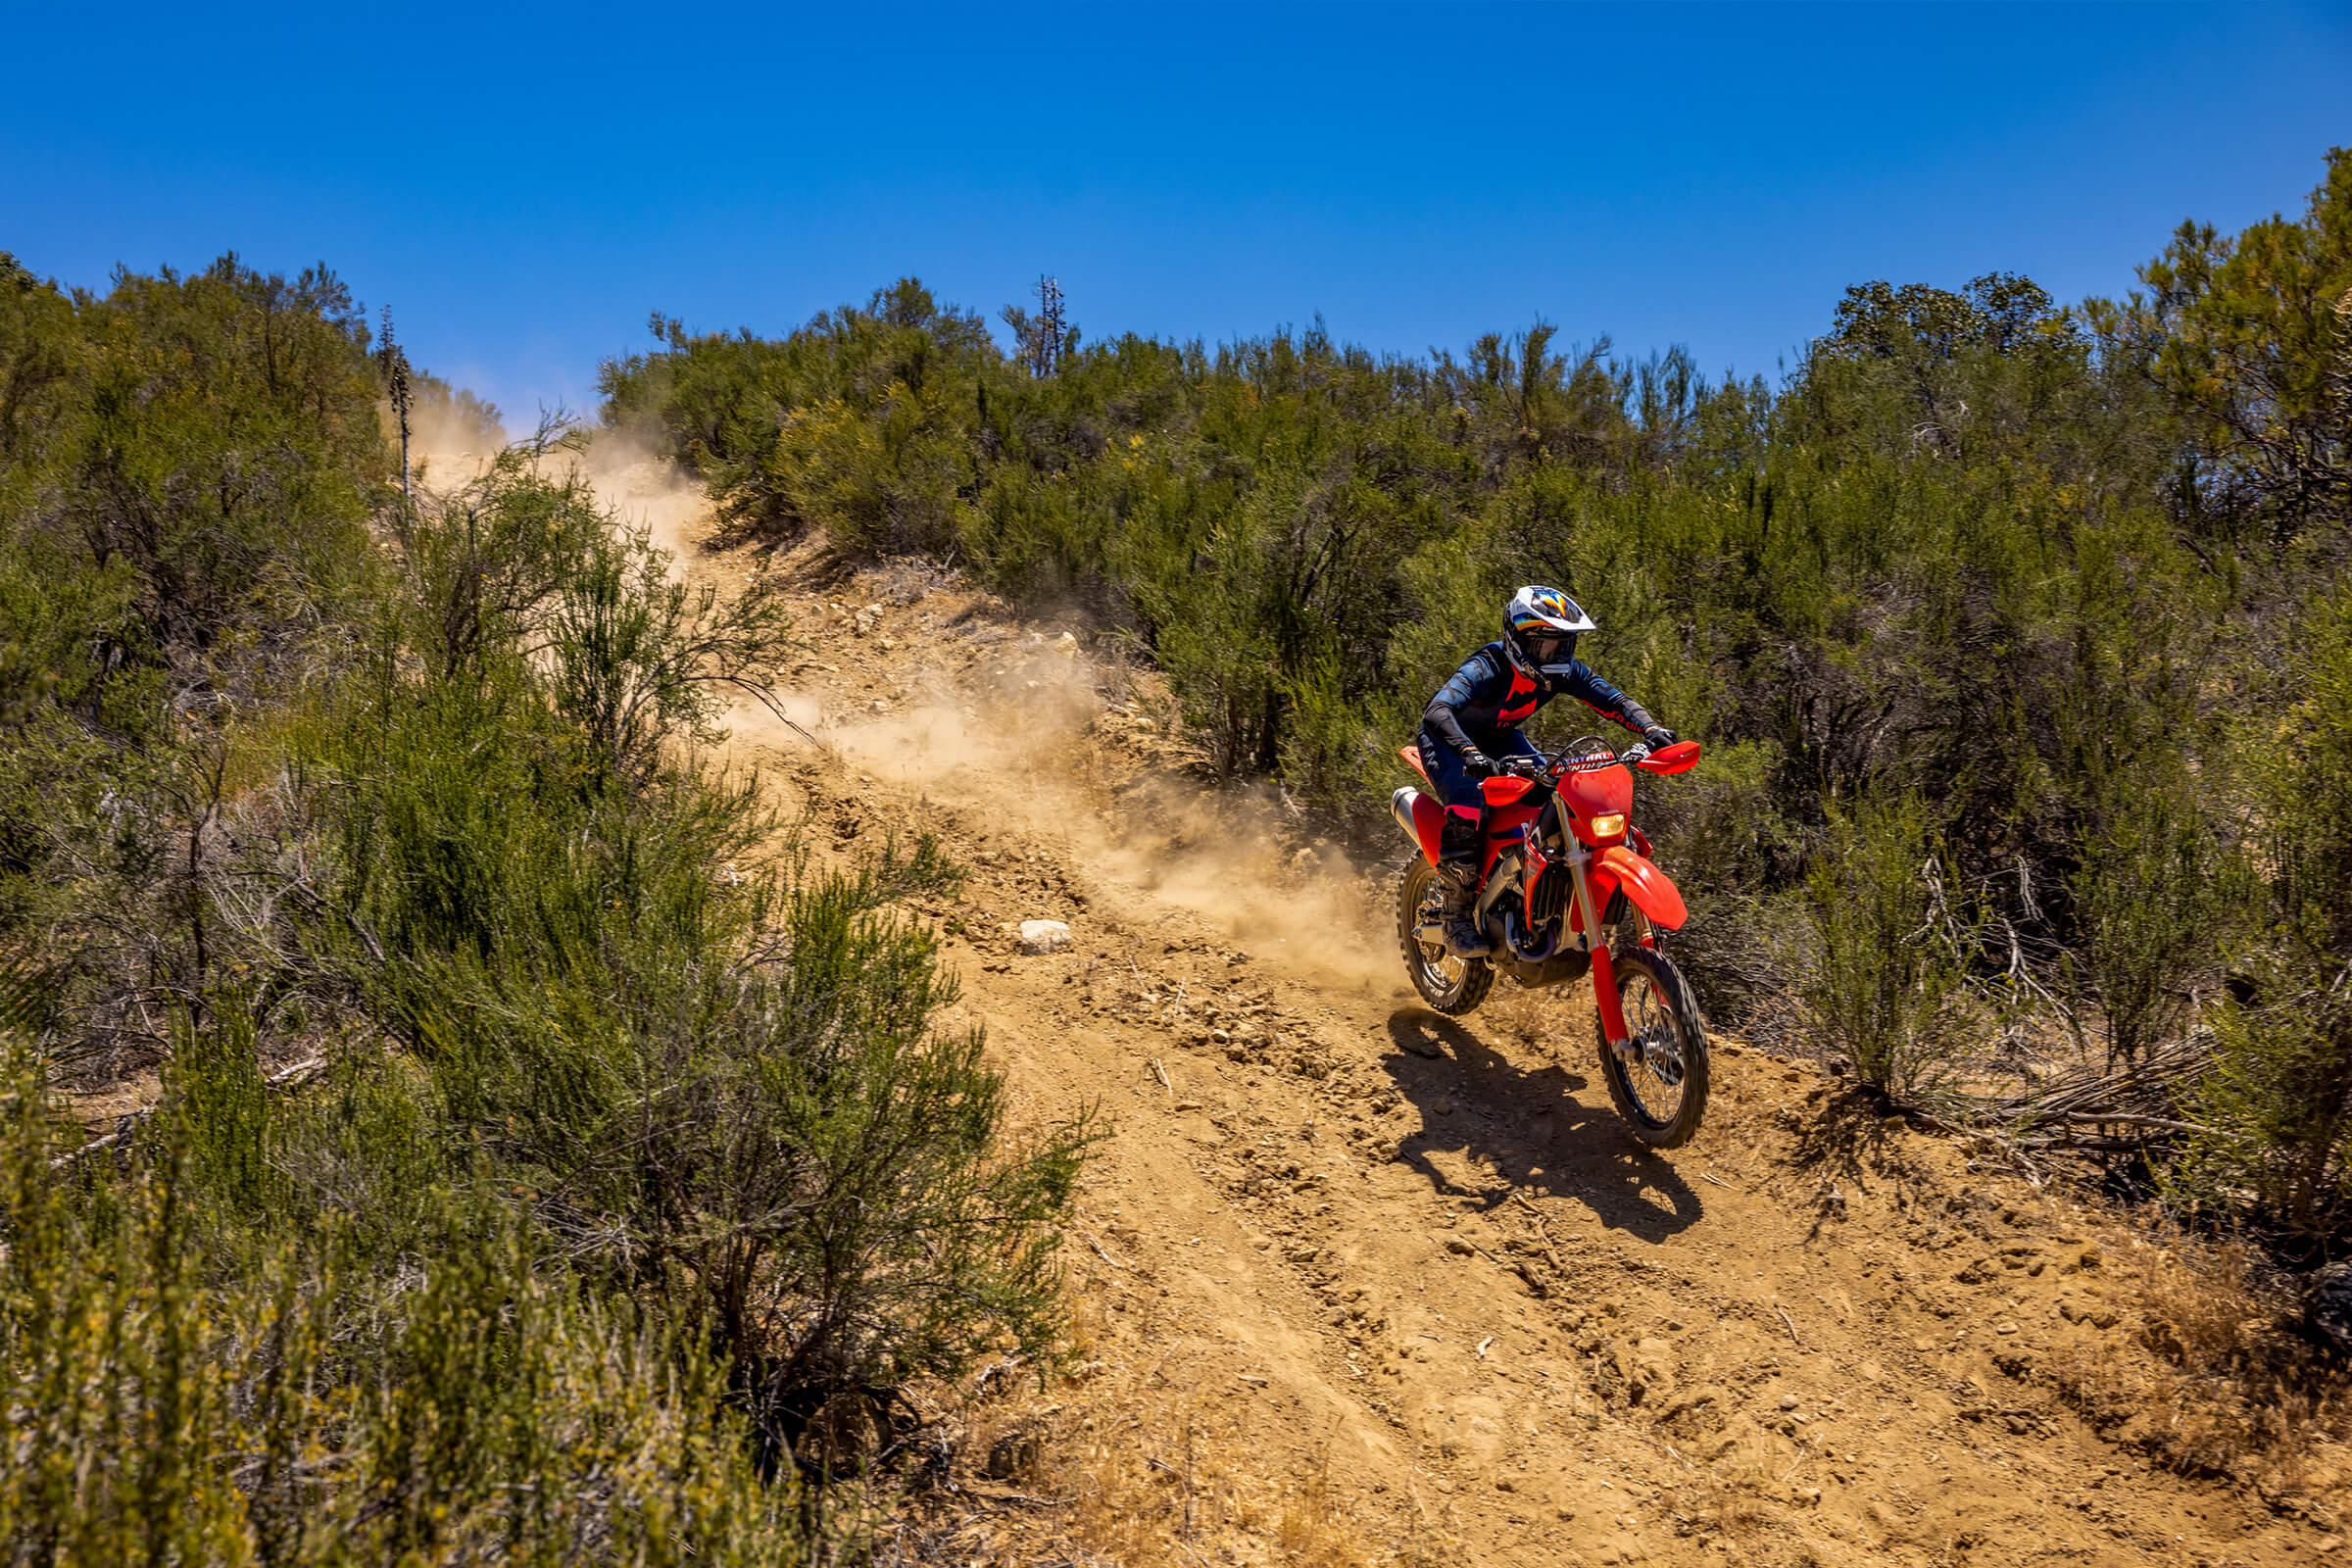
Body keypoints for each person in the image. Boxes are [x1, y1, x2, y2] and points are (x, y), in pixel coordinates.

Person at [1418, 585, 1675, 957]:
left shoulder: (1563, 672)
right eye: (1545, 644)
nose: (1555, 654)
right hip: (1449, 741)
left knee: (1552, 788)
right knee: (1469, 804)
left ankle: (1530, 885)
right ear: (1517, 638)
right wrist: (1470, 752)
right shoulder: (1486, 666)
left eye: (1563, 645)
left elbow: (1613, 699)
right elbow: (1437, 712)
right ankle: (1456, 917)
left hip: (1502, 738)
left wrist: (1650, 729)